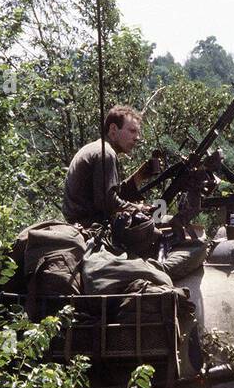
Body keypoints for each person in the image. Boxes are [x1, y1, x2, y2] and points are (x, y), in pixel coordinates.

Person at [63, 105, 203, 281]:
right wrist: (138, 208)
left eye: (138, 132)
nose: (137, 138)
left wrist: (138, 177)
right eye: (132, 131)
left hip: (86, 224)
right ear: (113, 129)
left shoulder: (95, 149)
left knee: (164, 220)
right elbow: (106, 202)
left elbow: (106, 194)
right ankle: (154, 271)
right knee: (195, 247)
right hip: (96, 230)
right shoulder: (106, 154)